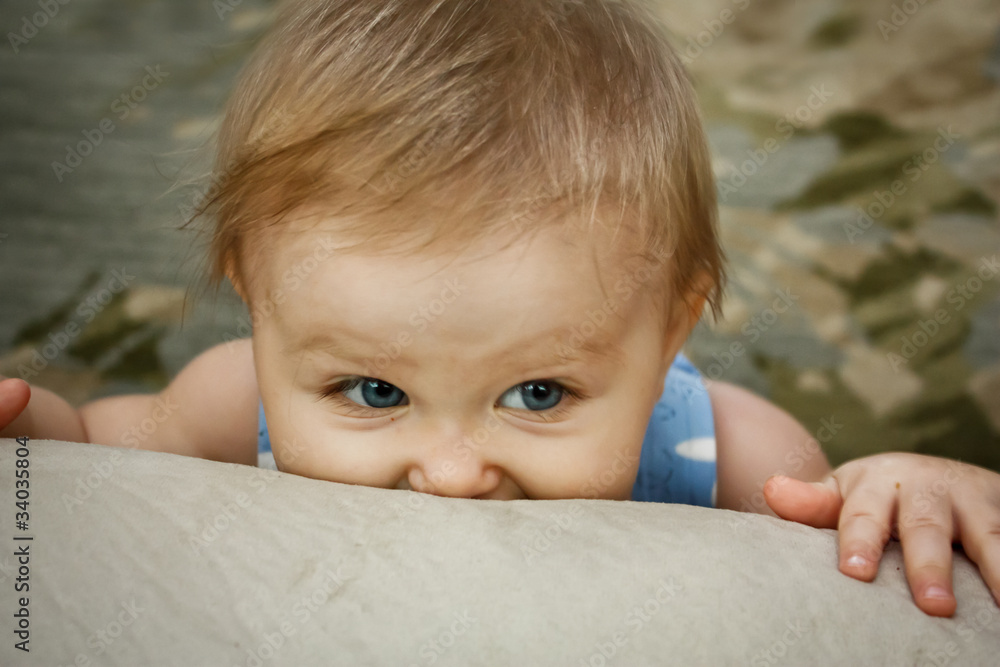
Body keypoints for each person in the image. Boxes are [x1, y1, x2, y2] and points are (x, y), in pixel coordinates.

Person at [1, 0, 997, 619]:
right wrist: (27, 421)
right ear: (254, 305)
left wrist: (906, 483)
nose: (449, 473)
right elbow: (89, 446)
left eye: (536, 392)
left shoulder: (737, 457)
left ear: (670, 336)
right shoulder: (226, 405)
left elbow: (844, 550)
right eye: (373, 388)